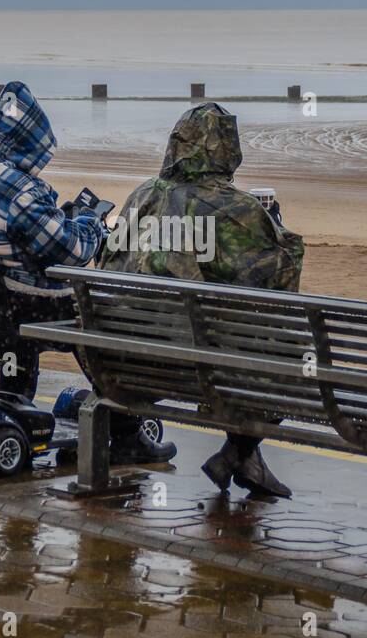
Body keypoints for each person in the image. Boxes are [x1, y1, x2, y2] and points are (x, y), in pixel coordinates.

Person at [0, 81, 177, 464]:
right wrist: (90, 225)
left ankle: (15, 404)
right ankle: (127, 431)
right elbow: (72, 252)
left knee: (16, 315)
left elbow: (1, 238)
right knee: (90, 320)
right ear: (28, 143)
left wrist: (53, 220)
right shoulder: (19, 189)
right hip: (12, 309)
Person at [99, 102, 305, 497]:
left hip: (125, 356)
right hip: (196, 366)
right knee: (287, 351)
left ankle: (239, 458)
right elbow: (273, 284)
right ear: (227, 149)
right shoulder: (235, 208)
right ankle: (238, 451)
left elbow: (116, 258)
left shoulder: (141, 195)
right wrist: (277, 231)